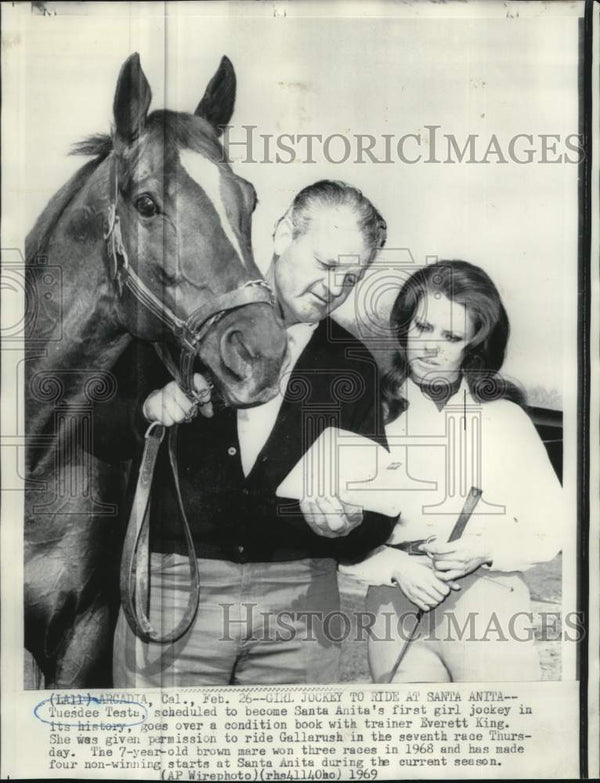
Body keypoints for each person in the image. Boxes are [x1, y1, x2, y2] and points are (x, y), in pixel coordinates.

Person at [95, 180, 395, 686]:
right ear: (281, 235)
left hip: (303, 605)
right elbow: (92, 430)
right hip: (176, 589)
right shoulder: (176, 317)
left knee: (291, 765)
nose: (334, 288)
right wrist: (146, 407)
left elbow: (379, 509)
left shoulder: (352, 365)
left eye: (351, 278)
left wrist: (351, 524)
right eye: (325, 265)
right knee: (157, 759)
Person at [340, 260, 564, 682]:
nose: (431, 348)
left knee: (502, 740)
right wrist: (393, 564)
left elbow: (553, 525)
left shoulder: (505, 419)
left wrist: (485, 547)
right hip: (394, 604)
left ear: (474, 345)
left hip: (488, 600)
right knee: (411, 745)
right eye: (423, 328)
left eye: (451, 336)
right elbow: (336, 528)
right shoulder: (366, 416)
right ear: (404, 326)